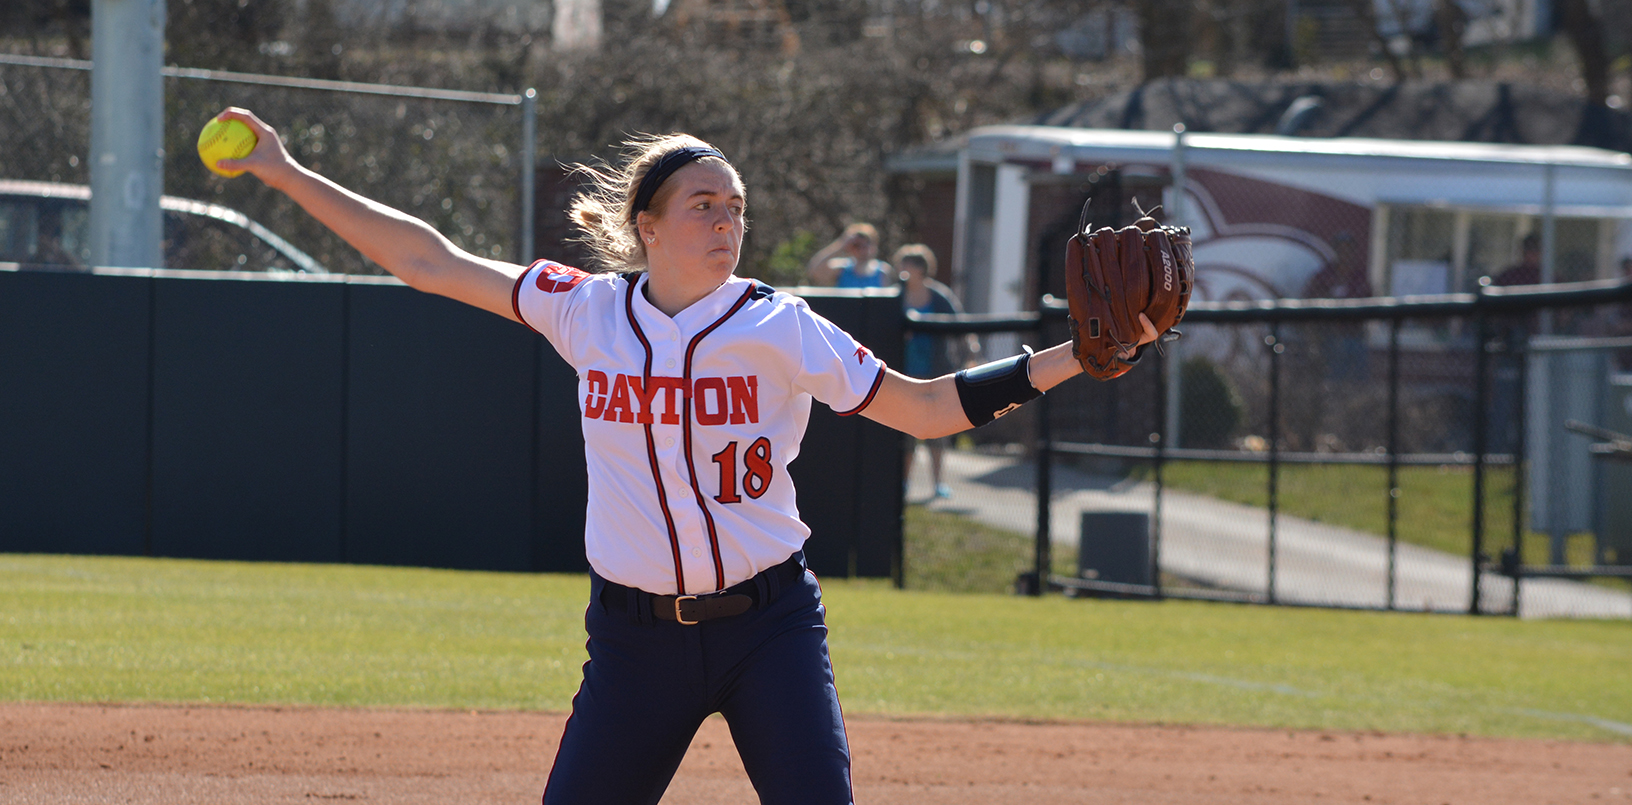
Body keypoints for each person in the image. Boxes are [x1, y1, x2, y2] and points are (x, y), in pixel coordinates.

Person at [205, 107, 1155, 804]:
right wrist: (285, 172)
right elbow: (430, 259)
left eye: (735, 207)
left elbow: (924, 408)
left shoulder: (781, 325)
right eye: (703, 205)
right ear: (646, 227)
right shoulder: (585, 310)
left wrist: (1077, 355)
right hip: (634, 643)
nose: (726, 222)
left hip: (771, 629)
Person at [895, 244, 977, 499]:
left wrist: (972, 356)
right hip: (903, 374)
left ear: (920, 269)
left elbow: (962, 329)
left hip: (936, 372)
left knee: (937, 433)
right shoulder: (894, 295)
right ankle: (904, 483)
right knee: (907, 434)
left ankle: (938, 484)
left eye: (907, 265)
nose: (902, 270)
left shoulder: (939, 297)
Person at [804, 222, 892, 288]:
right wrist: (840, 245)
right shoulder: (841, 269)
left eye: (866, 244)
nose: (862, 249)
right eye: (857, 245)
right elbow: (814, 271)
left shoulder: (883, 271)